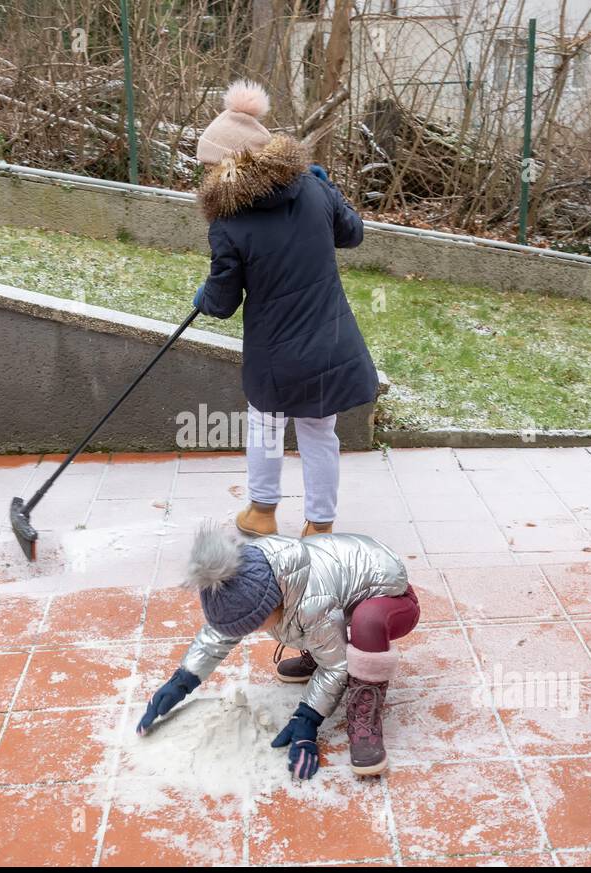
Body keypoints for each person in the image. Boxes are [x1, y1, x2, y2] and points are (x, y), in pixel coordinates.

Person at [192, 80, 378, 538]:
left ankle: (261, 513)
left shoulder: (229, 223)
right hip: (331, 340)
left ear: (229, 165)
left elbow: (222, 302)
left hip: (274, 350)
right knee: (320, 432)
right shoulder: (312, 188)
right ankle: (320, 526)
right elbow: (351, 234)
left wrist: (203, 294)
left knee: (263, 425)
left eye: (211, 166)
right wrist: (330, 190)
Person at [136, 523, 420, 779]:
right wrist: (182, 681)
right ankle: (319, 652)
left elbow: (336, 666)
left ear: (274, 602)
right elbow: (224, 629)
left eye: (255, 624)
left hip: (394, 598)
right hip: (336, 591)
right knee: (317, 631)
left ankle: (364, 713)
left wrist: (307, 718)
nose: (252, 631)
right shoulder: (251, 574)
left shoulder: (312, 602)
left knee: (364, 623)